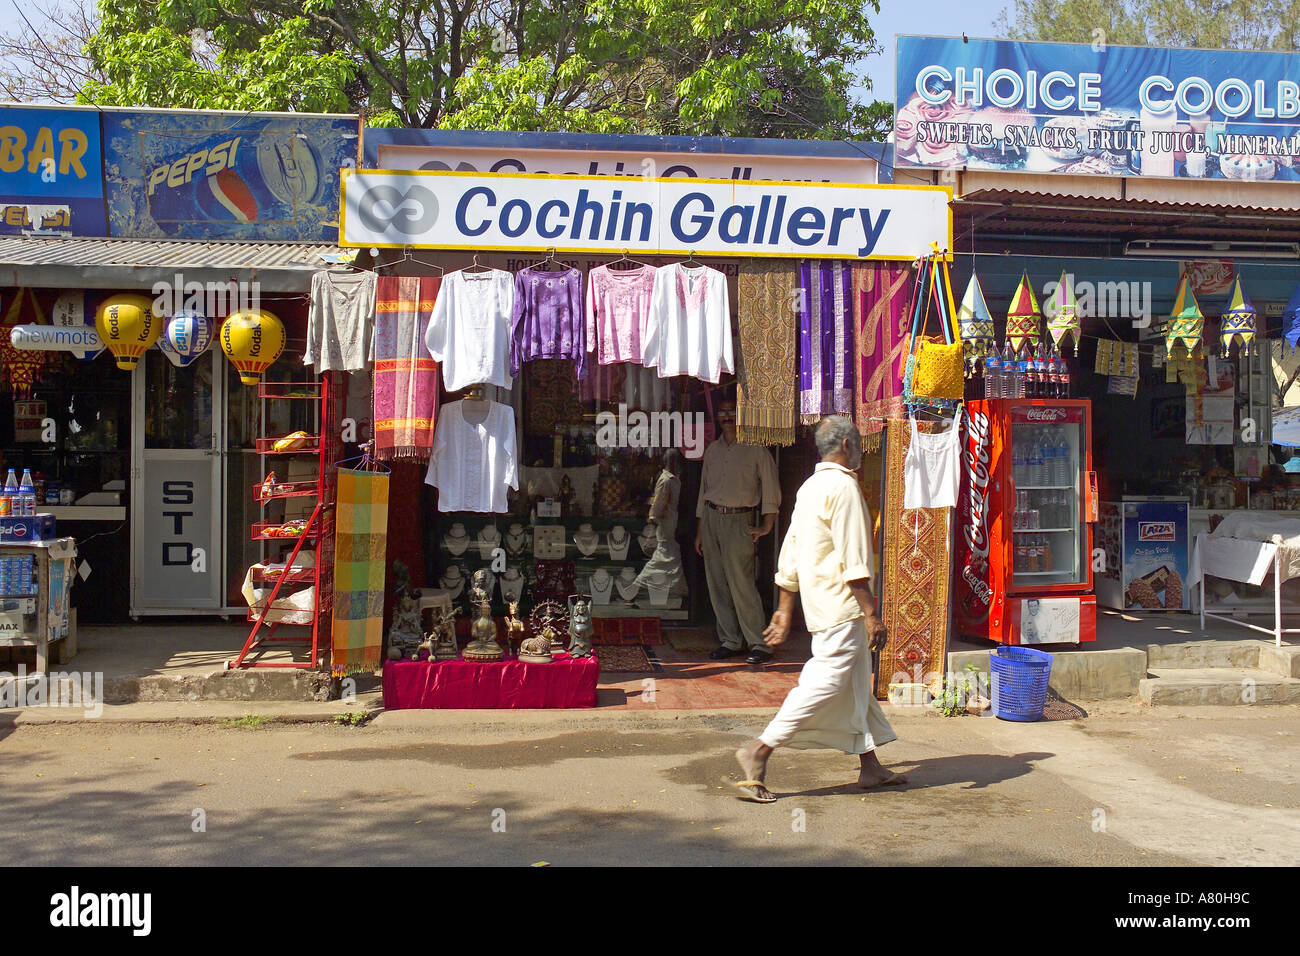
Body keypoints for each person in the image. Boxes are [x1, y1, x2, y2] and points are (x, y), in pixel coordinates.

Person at [730, 415, 907, 803]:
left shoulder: (810, 487)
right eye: (858, 441)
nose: (860, 447)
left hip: (822, 603)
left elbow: (790, 549)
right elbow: (855, 558)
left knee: (857, 683)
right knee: (825, 681)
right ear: (846, 445)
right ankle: (760, 748)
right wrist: (871, 612)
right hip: (842, 607)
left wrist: (785, 607)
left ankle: (870, 766)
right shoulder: (843, 488)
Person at [694, 398, 781, 664]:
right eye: (722, 411)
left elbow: (770, 488)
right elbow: (702, 492)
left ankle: (759, 643)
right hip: (711, 518)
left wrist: (767, 525)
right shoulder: (713, 450)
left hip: (739, 520)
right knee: (717, 583)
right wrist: (700, 530)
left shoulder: (756, 449)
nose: (727, 416)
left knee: (742, 584)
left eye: (731, 411)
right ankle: (731, 640)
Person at [634, 449, 687, 603]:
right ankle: (637, 584)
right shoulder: (666, 480)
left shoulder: (673, 479)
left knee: (672, 555)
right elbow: (660, 503)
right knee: (664, 555)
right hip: (666, 523)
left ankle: (683, 589)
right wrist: (652, 518)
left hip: (672, 521)